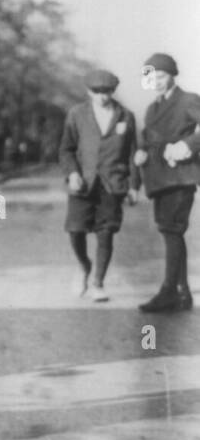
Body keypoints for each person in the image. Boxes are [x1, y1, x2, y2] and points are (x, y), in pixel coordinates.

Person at [58, 69, 140, 302]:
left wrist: (134, 185)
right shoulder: (77, 114)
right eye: (97, 91)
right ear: (88, 91)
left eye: (107, 91)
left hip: (113, 184)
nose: (103, 96)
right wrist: (72, 172)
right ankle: (85, 266)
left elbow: (134, 153)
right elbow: (66, 149)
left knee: (106, 233)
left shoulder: (126, 116)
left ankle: (98, 283)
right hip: (83, 183)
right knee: (75, 230)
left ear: (113, 91)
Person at [135, 53, 200, 313]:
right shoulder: (152, 109)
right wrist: (141, 151)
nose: (158, 82)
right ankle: (182, 292)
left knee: (172, 231)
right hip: (159, 179)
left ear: (173, 75)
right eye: (152, 78)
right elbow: (148, 137)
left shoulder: (188, 100)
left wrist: (187, 144)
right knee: (170, 232)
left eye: (162, 76)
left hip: (181, 175)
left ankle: (169, 291)